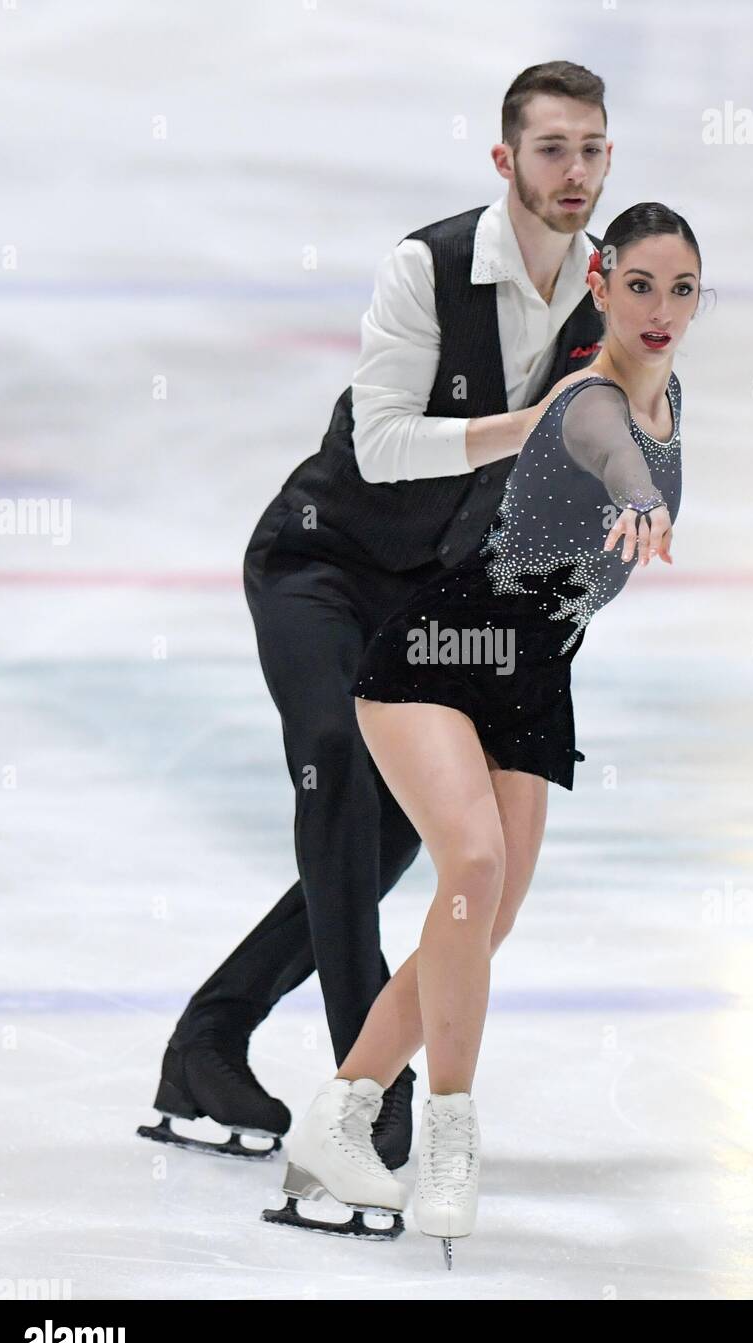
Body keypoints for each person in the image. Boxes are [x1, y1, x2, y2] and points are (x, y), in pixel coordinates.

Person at [138, 62, 617, 1168]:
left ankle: (209, 1037)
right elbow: (383, 443)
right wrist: (531, 422)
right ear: (506, 161)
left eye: (591, 148)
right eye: (551, 149)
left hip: (434, 597)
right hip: (321, 564)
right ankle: (368, 1083)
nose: (573, 171)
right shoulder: (429, 266)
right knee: (335, 770)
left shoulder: (604, 290)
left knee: (407, 835)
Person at [268, 202, 700, 1268]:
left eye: (681, 289)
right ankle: (450, 1131)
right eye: (638, 285)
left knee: (479, 918)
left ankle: (335, 1121)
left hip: (532, 682)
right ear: (597, 287)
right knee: (468, 861)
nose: (659, 311)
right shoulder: (589, 397)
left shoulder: (671, 393)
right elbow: (603, 445)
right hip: (437, 655)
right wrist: (639, 493)